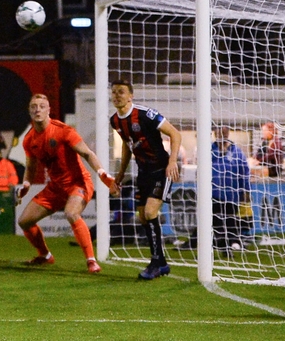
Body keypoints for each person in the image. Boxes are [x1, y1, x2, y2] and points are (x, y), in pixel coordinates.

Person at [15, 94, 116, 275]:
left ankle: (91, 261)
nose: (38, 110)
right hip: (56, 187)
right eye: (34, 107)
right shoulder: (29, 140)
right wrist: (26, 184)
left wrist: (102, 173)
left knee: (71, 213)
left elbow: (87, 153)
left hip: (78, 183)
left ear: (49, 110)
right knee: (24, 221)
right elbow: (30, 167)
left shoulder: (63, 131)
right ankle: (45, 256)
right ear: (29, 111)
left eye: (42, 106)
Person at [109, 81, 183, 280]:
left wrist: (172, 162)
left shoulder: (144, 114)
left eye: (121, 92)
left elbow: (175, 134)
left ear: (130, 96)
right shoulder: (115, 121)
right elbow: (127, 145)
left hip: (162, 170)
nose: (117, 95)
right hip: (143, 173)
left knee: (150, 212)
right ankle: (162, 263)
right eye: (114, 92)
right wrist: (120, 174)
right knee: (143, 217)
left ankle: (155, 263)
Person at [210, 126, 251, 252]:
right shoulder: (210, 150)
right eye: (219, 133)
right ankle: (218, 243)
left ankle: (234, 242)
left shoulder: (236, 151)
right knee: (215, 220)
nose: (221, 135)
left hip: (231, 194)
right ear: (215, 134)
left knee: (231, 220)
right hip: (213, 193)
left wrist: (246, 190)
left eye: (224, 132)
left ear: (227, 133)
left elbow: (244, 171)